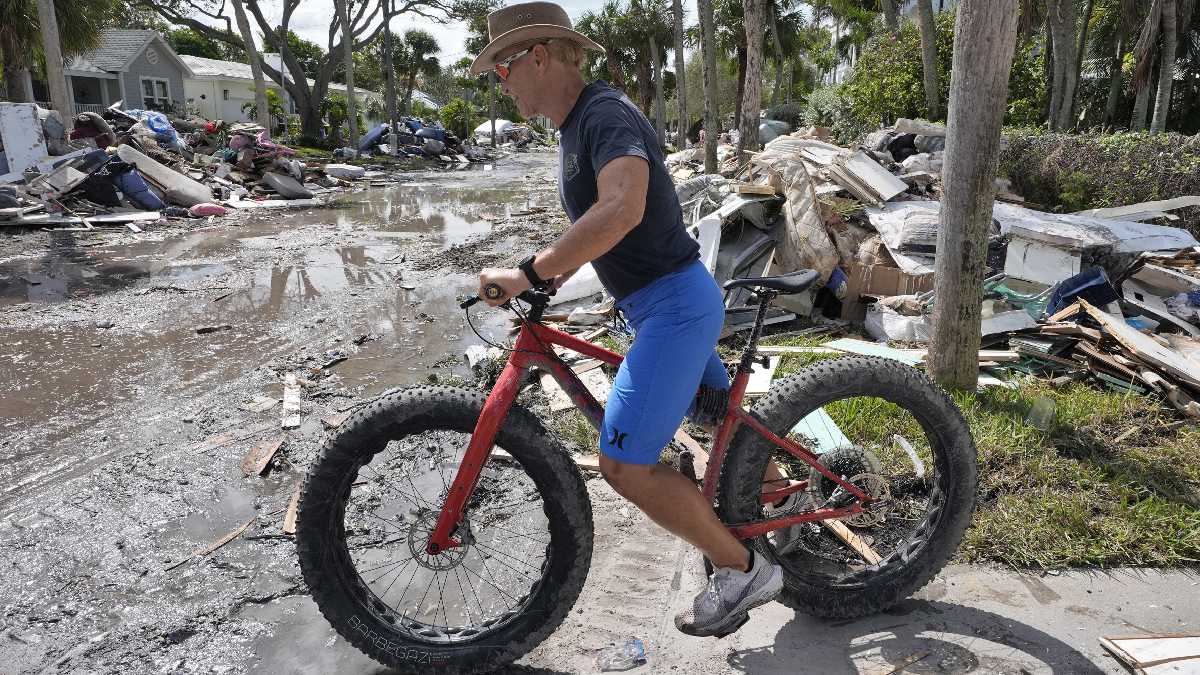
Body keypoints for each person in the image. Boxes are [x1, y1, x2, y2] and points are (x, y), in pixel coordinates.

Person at [468, 1, 782, 638]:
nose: (500, 83)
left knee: (623, 464)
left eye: (503, 68)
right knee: (723, 424)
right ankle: (784, 507)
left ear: (539, 55)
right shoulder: (573, 129)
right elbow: (597, 226)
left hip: (674, 308)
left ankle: (742, 569)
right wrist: (550, 274)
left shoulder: (605, 115)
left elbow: (623, 208)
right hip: (662, 305)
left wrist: (530, 272)